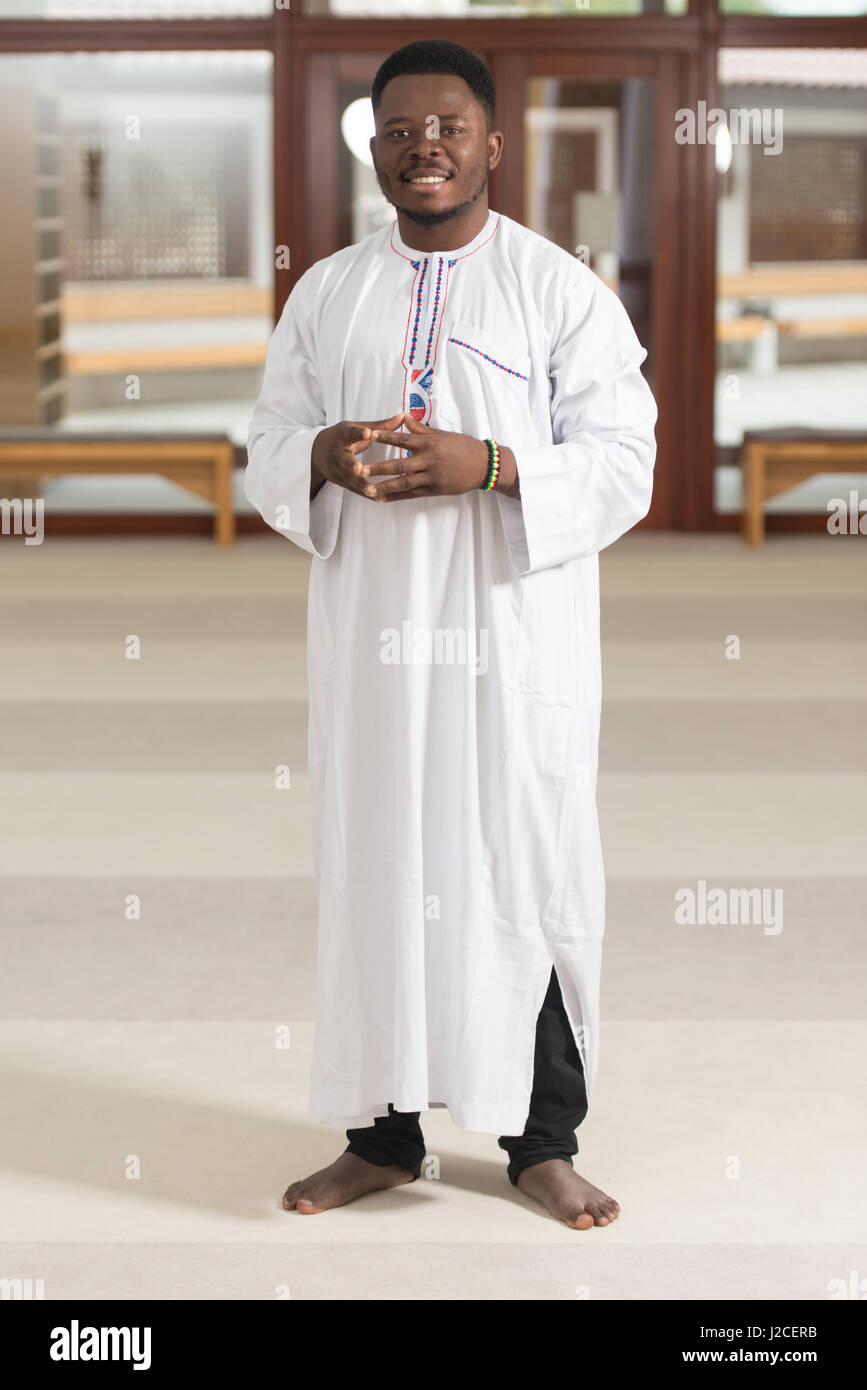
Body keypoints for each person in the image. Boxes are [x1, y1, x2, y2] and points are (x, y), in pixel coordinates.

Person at [245, 38, 657, 1230]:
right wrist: (323, 455)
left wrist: (488, 464)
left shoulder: (557, 289)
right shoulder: (328, 290)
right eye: (400, 131)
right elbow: (272, 439)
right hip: (375, 641)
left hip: (506, 641)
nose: (425, 147)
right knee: (380, 865)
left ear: (490, 143)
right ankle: (381, 1135)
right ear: (374, 149)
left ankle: (543, 1140)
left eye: (449, 127)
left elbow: (627, 462)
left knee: (519, 863)